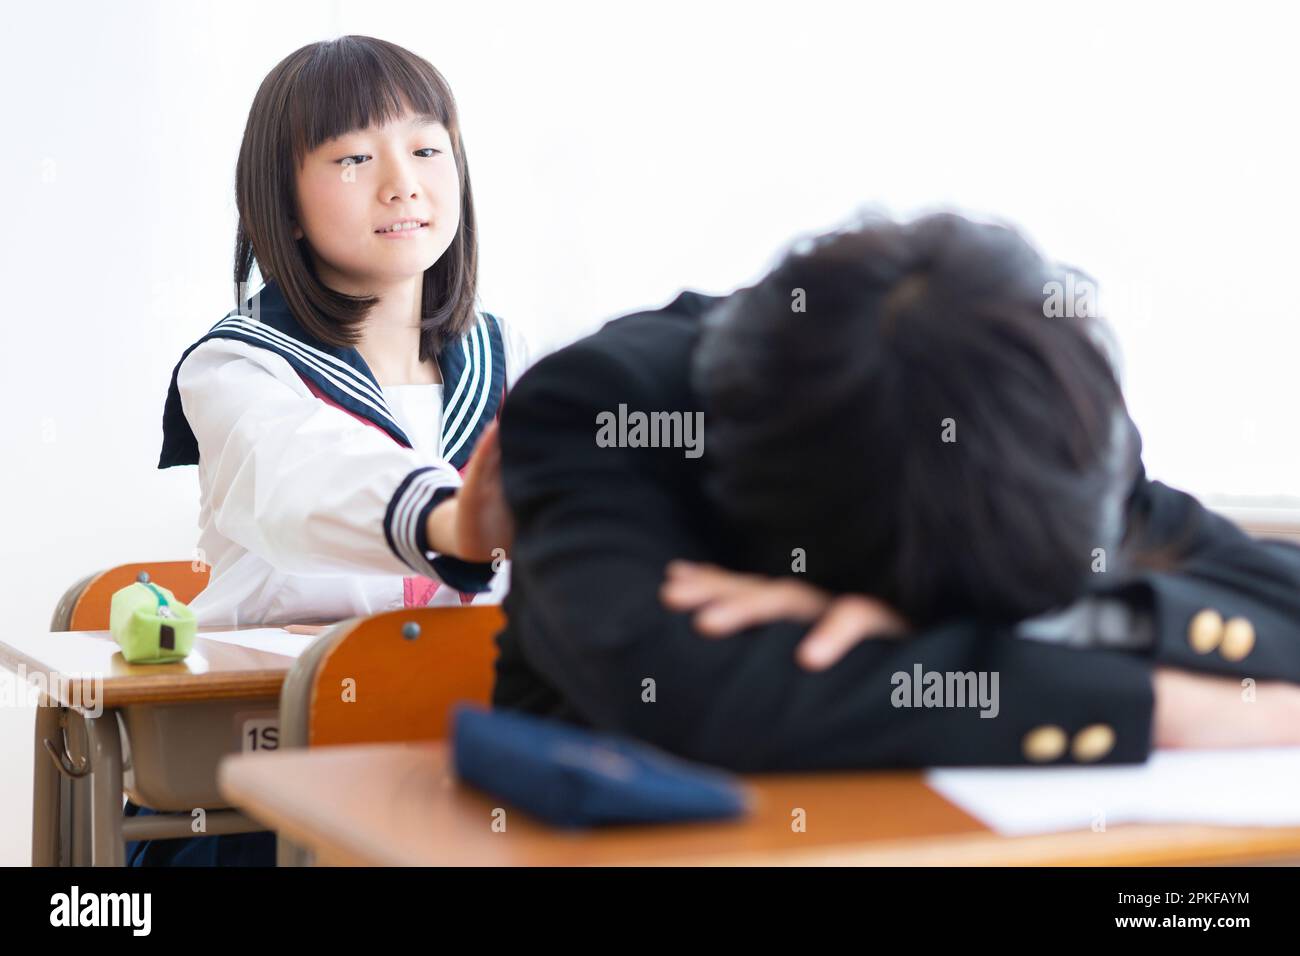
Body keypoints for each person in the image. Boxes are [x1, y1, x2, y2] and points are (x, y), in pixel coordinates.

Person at [492, 212, 1300, 772]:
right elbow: (685, 692)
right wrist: (1178, 709)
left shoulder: (1032, 406)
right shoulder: (606, 404)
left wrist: (959, 628)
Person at [142, 35, 526, 865]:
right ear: (281, 205)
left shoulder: (513, 358)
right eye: (353, 157)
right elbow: (301, 474)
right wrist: (453, 520)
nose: (403, 181)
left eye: (427, 147)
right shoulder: (239, 367)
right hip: (256, 796)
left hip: (468, 774)